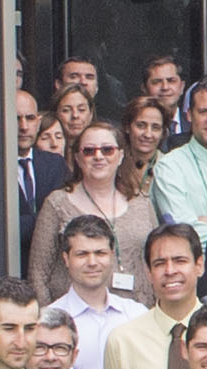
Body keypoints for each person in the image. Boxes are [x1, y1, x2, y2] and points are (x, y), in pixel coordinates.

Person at [30, 121, 159, 300]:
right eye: (89, 151)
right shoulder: (57, 203)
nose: (98, 156)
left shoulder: (141, 203)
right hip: (73, 319)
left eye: (107, 150)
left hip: (137, 316)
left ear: (121, 155)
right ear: (77, 157)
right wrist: (50, 322)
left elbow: (157, 260)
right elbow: (38, 273)